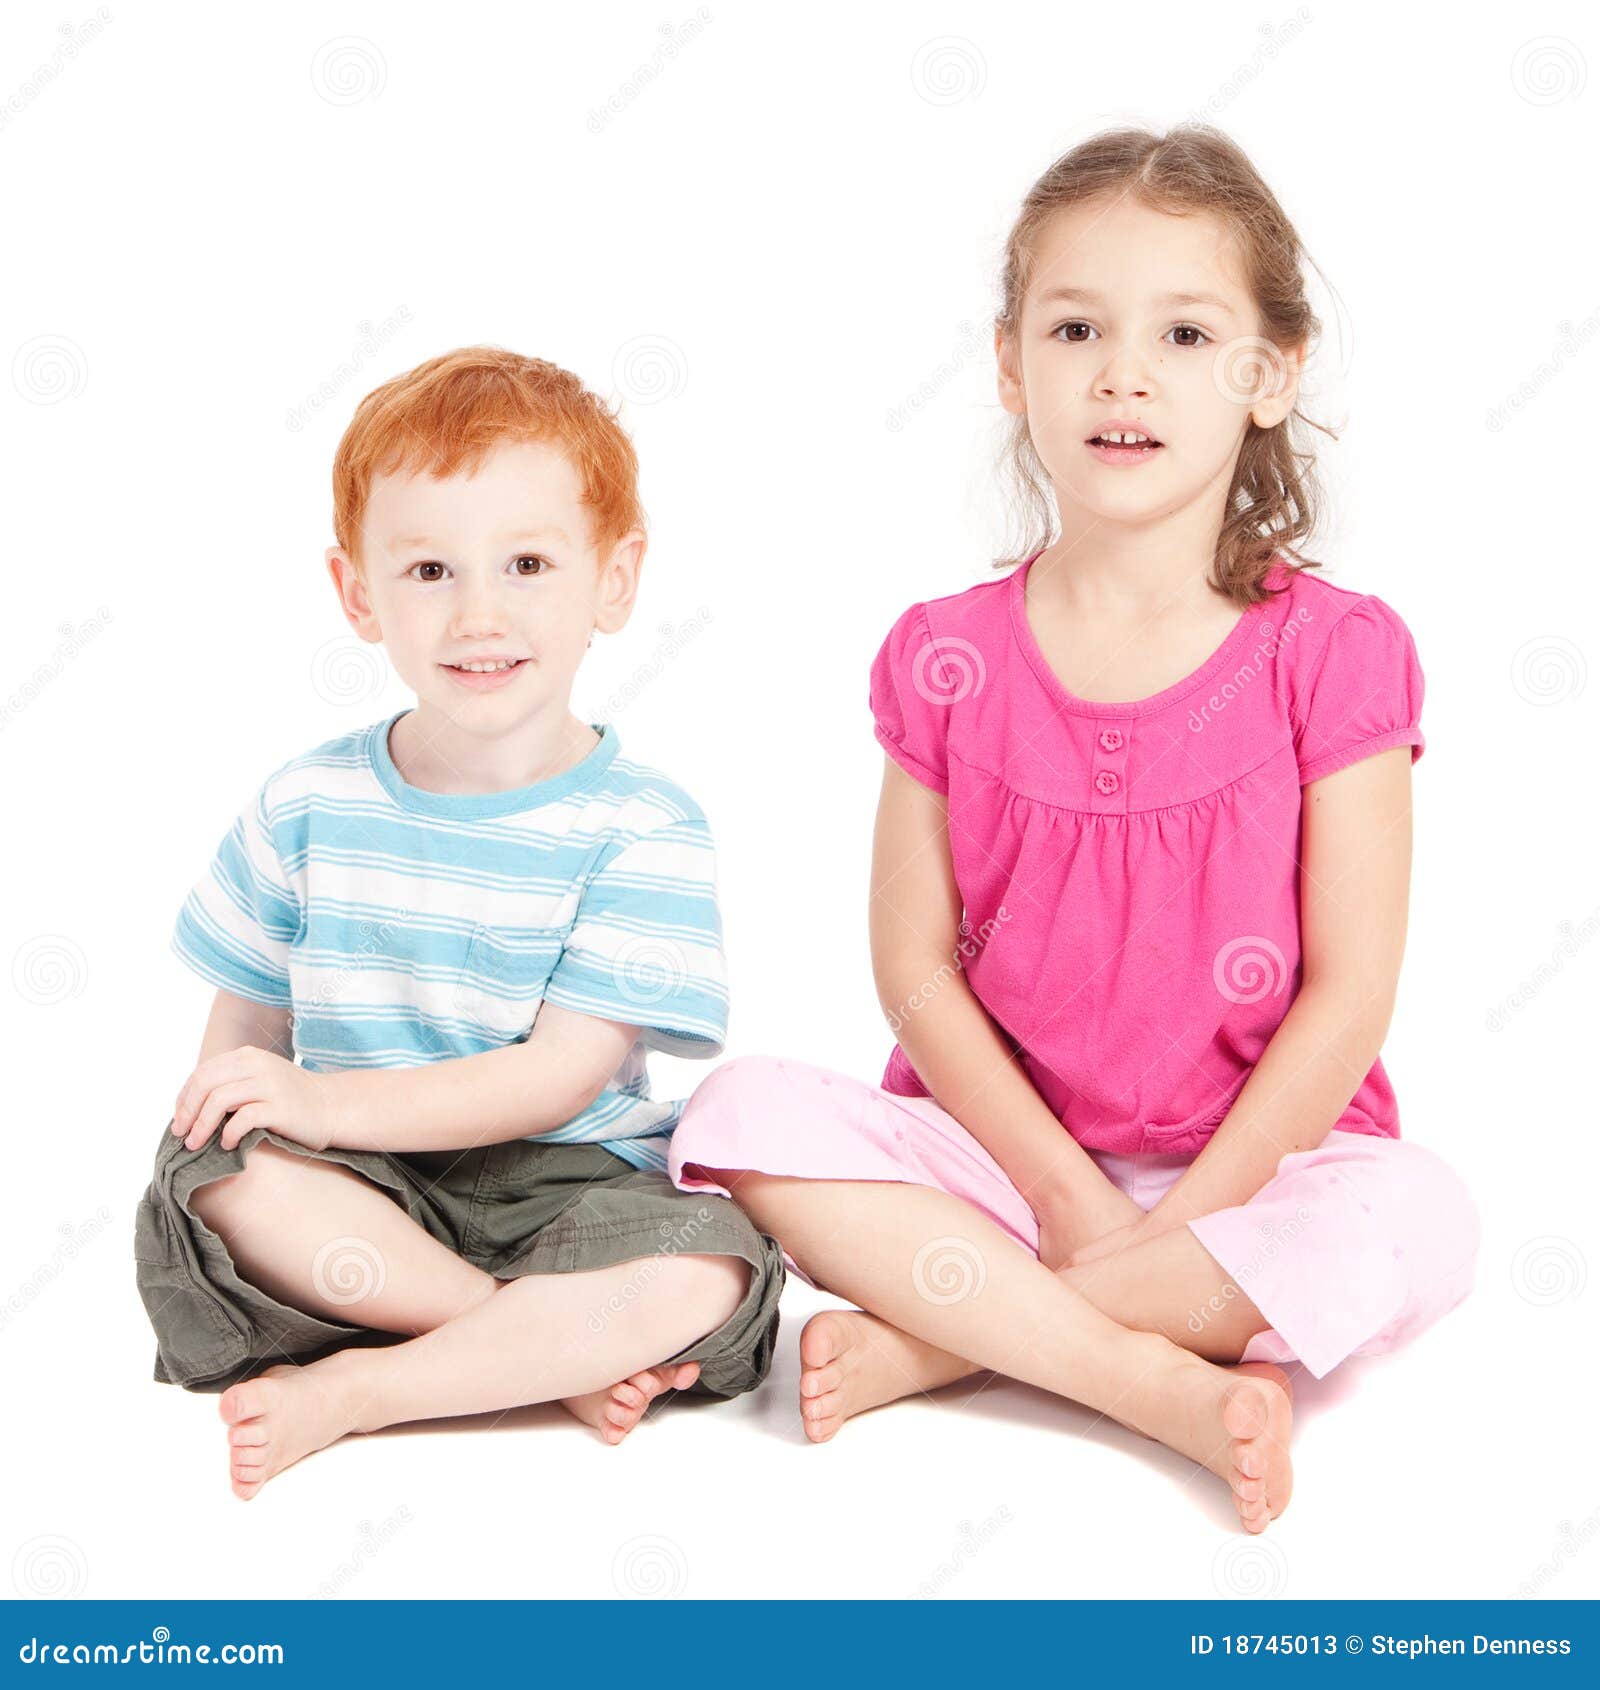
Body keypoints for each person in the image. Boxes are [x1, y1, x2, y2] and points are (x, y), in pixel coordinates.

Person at [666, 125, 1480, 1534]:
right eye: (1076, 327)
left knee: (1424, 1218)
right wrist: (1069, 1199)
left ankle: (958, 1338)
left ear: (1270, 375)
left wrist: (1182, 1217)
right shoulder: (946, 654)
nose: (1122, 371)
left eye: (1183, 331)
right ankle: (1147, 1372)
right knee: (736, 1113)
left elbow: (1350, 993)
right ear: (1008, 366)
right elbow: (913, 968)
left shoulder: (1335, 656)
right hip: (1003, 1164)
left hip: (1265, 1170)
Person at [134, 346, 783, 1499]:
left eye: (528, 562)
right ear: (358, 594)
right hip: (364, 1184)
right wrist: (252, 1114)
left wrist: (323, 1099)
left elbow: (553, 1074)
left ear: (614, 580)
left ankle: (365, 1388)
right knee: (214, 1168)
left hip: (566, 1180)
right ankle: (517, 1346)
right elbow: (239, 1044)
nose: (479, 611)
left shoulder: (643, 822)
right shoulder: (306, 804)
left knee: (708, 1268)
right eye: (428, 568)